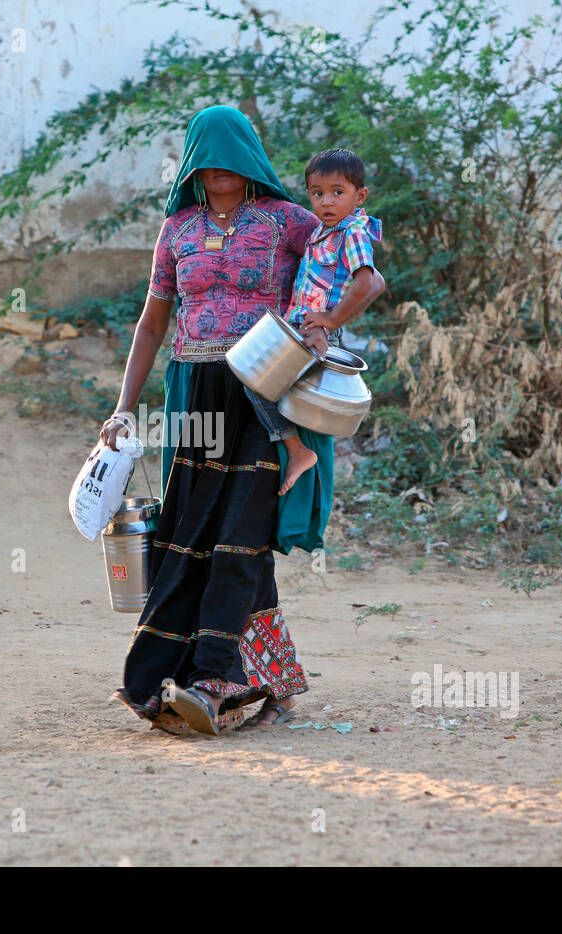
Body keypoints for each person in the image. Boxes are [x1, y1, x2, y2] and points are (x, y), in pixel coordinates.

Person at [102, 105, 386, 735]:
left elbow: (352, 267)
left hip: (263, 390)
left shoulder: (292, 221)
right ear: (192, 165)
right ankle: (192, 681)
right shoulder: (176, 230)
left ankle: (214, 682)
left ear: (251, 160)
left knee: (241, 535)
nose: (219, 169)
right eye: (207, 158)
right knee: (189, 534)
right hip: (192, 394)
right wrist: (124, 405)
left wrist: (326, 326)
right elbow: (152, 325)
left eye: (232, 157)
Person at [242, 147, 383, 496]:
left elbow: (369, 282)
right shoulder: (324, 232)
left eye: (338, 192)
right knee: (264, 384)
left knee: (258, 382)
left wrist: (331, 321)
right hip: (298, 329)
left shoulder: (352, 232)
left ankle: (298, 454)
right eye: (318, 194)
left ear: (359, 196)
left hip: (317, 333)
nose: (327, 202)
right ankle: (295, 452)